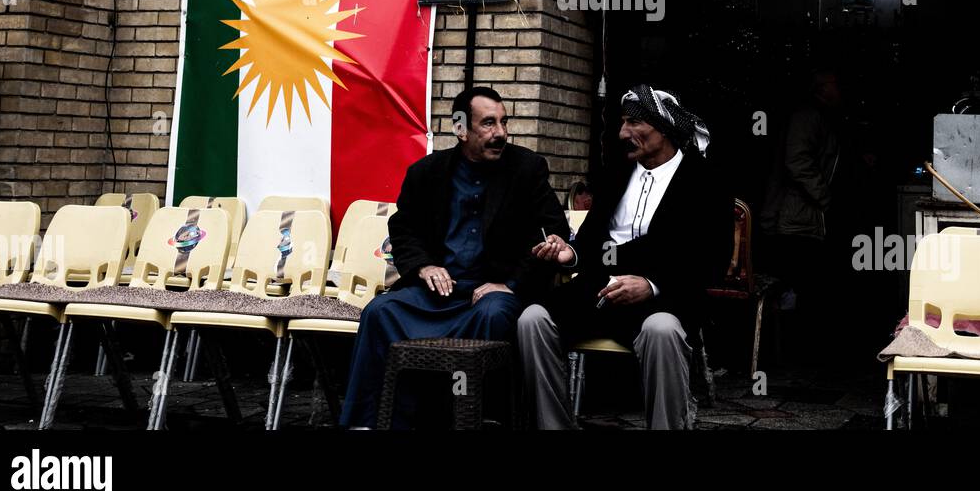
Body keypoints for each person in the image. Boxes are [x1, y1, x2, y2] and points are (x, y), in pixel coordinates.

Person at [339, 86, 567, 428]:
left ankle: (478, 421)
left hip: (490, 294)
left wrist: (509, 283)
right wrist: (424, 266)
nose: (501, 134)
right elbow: (403, 231)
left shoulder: (527, 169)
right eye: (488, 124)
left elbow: (552, 231)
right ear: (460, 128)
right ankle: (369, 423)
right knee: (379, 312)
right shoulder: (425, 172)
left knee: (494, 315)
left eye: (504, 123)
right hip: (436, 295)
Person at [518, 84, 732, 429]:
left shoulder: (704, 181)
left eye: (634, 123)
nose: (623, 133)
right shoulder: (615, 174)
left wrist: (651, 284)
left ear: (663, 128)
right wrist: (567, 253)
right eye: (622, 123)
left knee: (662, 330)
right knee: (532, 319)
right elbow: (590, 245)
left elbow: (712, 259)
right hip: (599, 290)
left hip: (665, 295)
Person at [758, 68, 842, 351]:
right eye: (834, 83)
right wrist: (825, 197)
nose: (840, 88)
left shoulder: (821, 118)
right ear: (820, 88)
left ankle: (797, 349)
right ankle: (793, 350)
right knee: (795, 282)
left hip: (802, 216)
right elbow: (797, 162)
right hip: (794, 218)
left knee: (801, 283)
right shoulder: (807, 117)